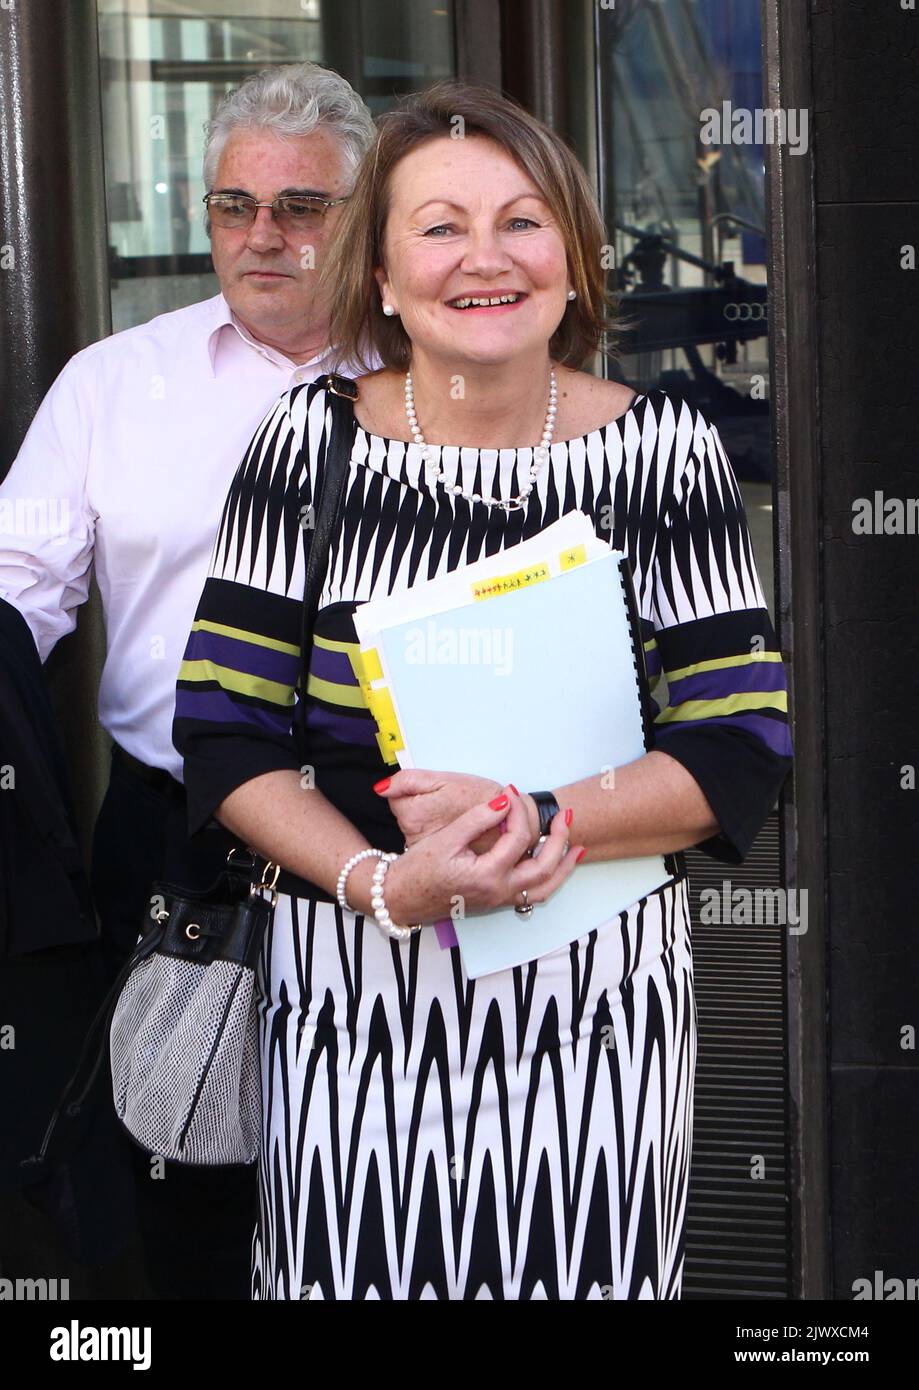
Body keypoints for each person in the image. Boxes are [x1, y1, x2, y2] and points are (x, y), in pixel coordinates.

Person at [173, 80, 794, 1300]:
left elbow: (738, 739)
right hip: (355, 1004)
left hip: (594, 1021)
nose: (484, 258)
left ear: (571, 258)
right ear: (384, 276)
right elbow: (223, 733)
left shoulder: (663, 451)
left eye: (521, 221)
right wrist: (384, 883)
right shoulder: (306, 446)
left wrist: (539, 819)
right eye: (439, 227)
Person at [0, 61, 375, 1299]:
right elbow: (13, 590)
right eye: (232, 206)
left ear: (363, 210)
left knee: (379, 1172)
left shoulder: (433, 380)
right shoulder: (114, 384)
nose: (260, 237)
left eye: (300, 207)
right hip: (174, 838)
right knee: (179, 1183)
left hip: (396, 824)